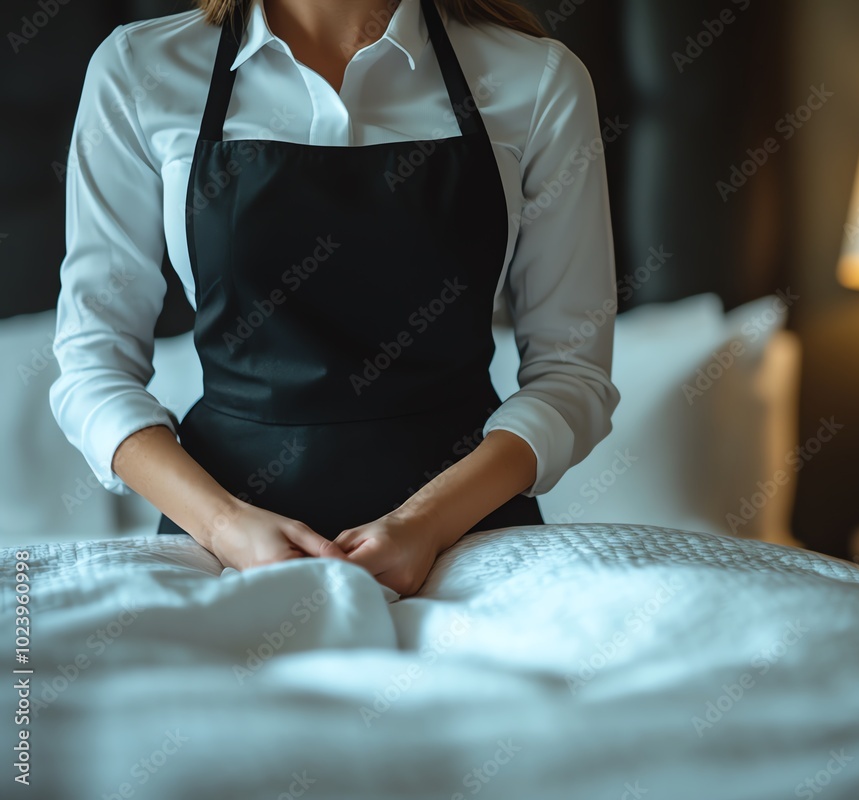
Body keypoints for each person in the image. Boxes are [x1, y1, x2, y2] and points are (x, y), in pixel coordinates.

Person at [50, 0, 620, 596]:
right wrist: (224, 524)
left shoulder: (540, 79)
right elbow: (93, 368)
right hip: (219, 553)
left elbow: (571, 374)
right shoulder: (137, 68)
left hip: (472, 547)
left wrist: (423, 524)